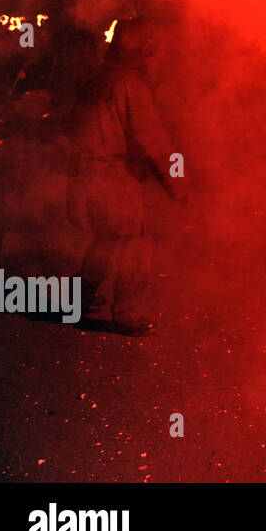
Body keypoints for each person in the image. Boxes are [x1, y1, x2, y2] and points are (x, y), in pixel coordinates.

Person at [66, 17, 184, 334]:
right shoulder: (129, 86)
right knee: (136, 245)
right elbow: (153, 139)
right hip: (115, 179)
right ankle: (126, 314)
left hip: (88, 173)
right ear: (143, 49)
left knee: (105, 241)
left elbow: (69, 126)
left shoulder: (96, 79)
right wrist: (178, 180)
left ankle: (79, 303)